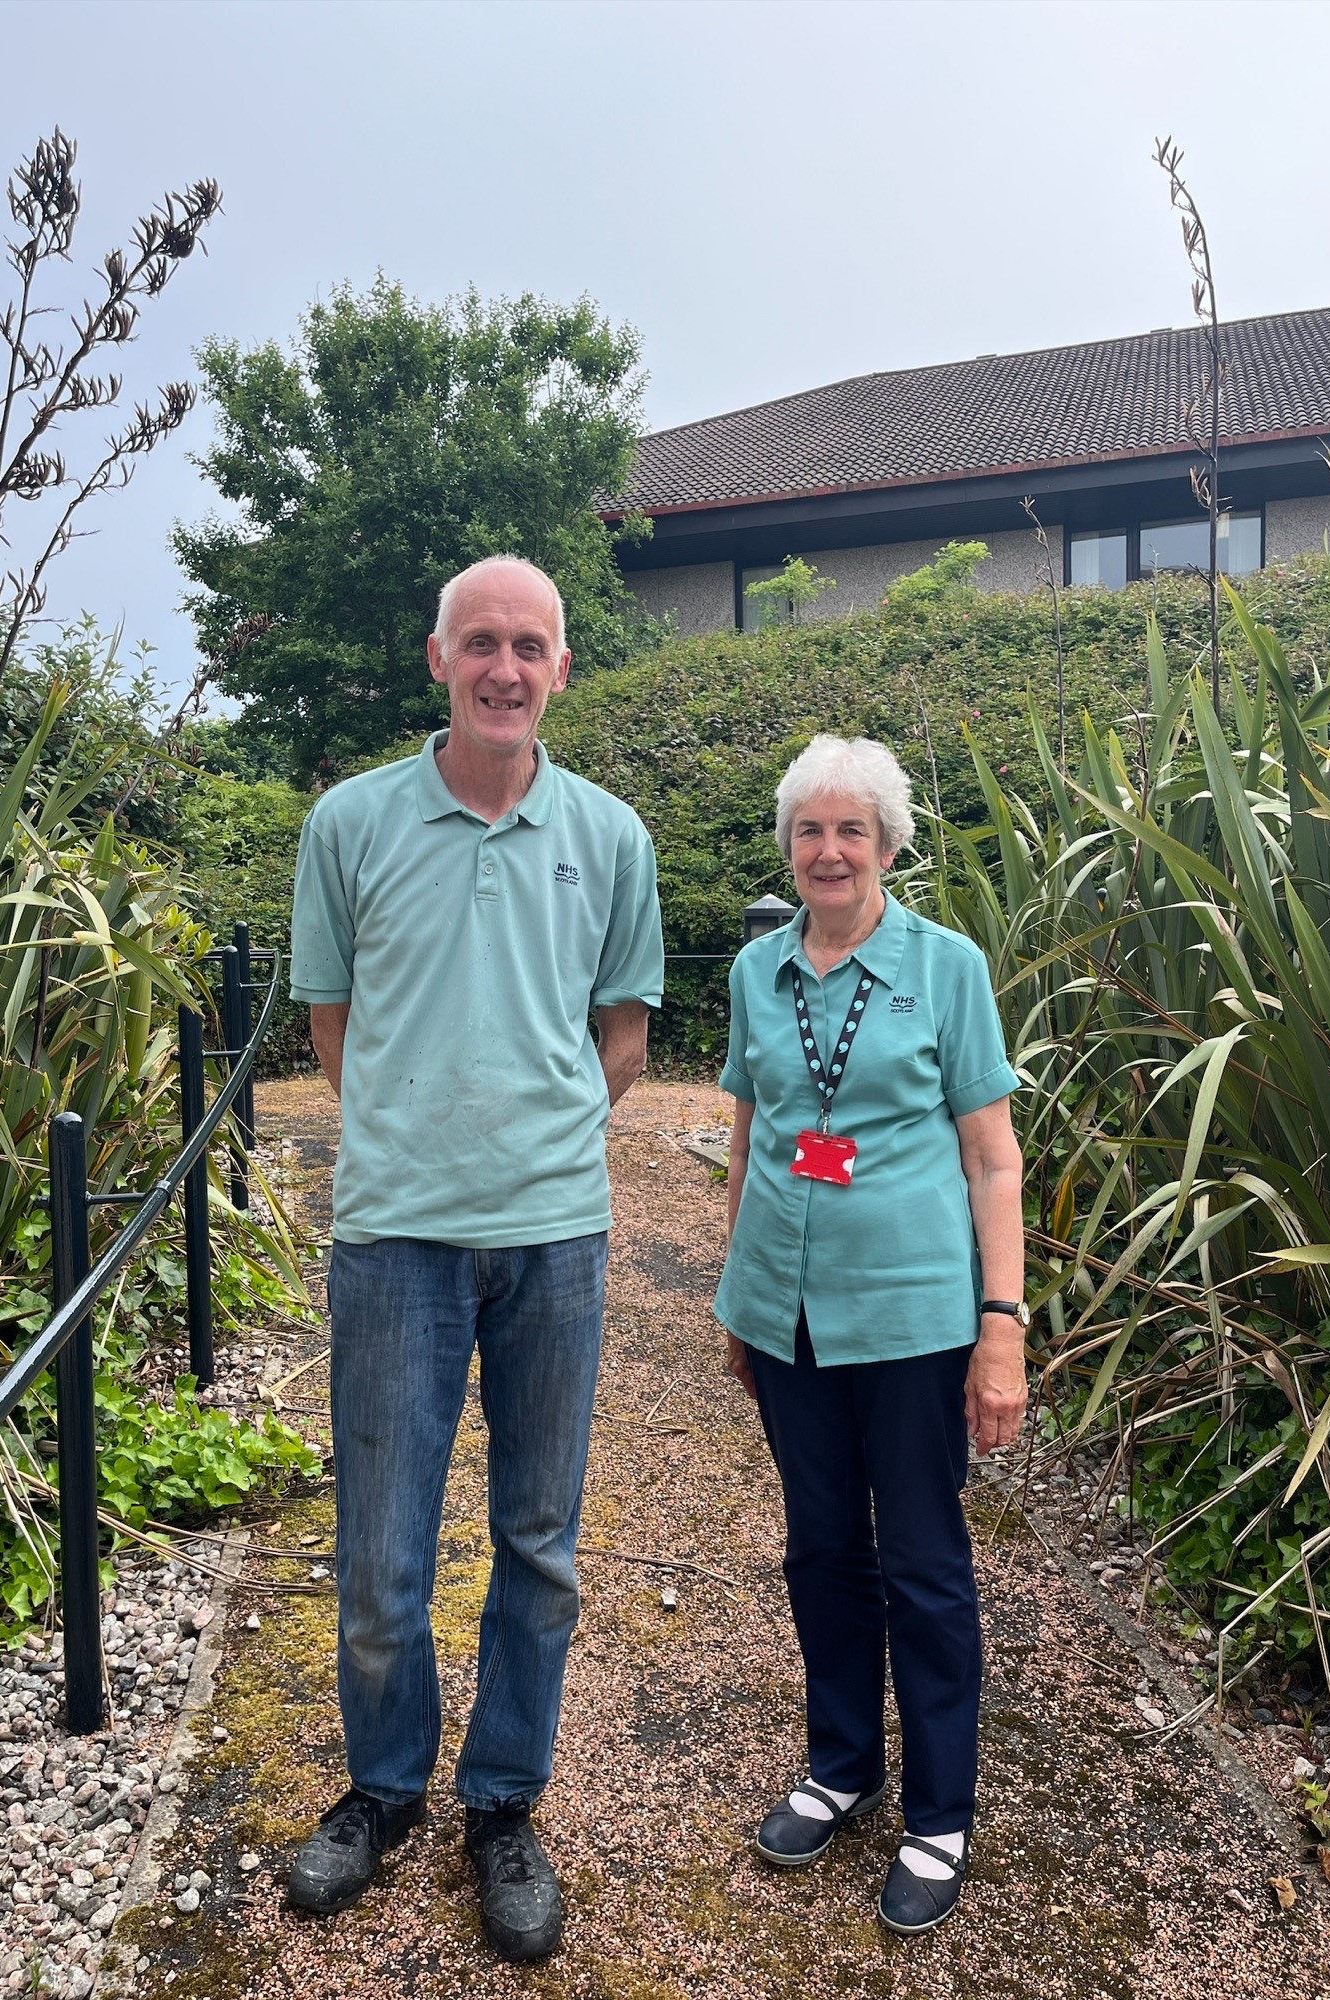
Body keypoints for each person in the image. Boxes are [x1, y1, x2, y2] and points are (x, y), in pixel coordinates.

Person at [284, 555, 664, 1963]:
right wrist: (423, 1139)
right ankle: (383, 1786)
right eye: (481, 643)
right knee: (383, 1551)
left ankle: (502, 1800)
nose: (506, 666)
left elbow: (623, 1036)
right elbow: (331, 1029)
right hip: (394, 1239)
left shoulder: (612, 836)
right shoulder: (350, 822)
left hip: (556, 1236)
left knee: (539, 1544)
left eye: (532, 644)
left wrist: (535, 1137)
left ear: (562, 666)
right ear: (437, 657)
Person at [714, 732, 1027, 1935]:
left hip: (910, 1317)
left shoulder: (944, 967)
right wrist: (735, 1291)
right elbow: (751, 1136)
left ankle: (940, 1814)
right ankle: (841, 1763)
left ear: (889, 845)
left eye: (852, 829)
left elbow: (992, 1158)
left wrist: (999, 1326)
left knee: (925, 1563)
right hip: (784, 1313)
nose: (829, 849)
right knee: (819, 1549)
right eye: (809, 829)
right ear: (788, 846)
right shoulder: (757, 973)